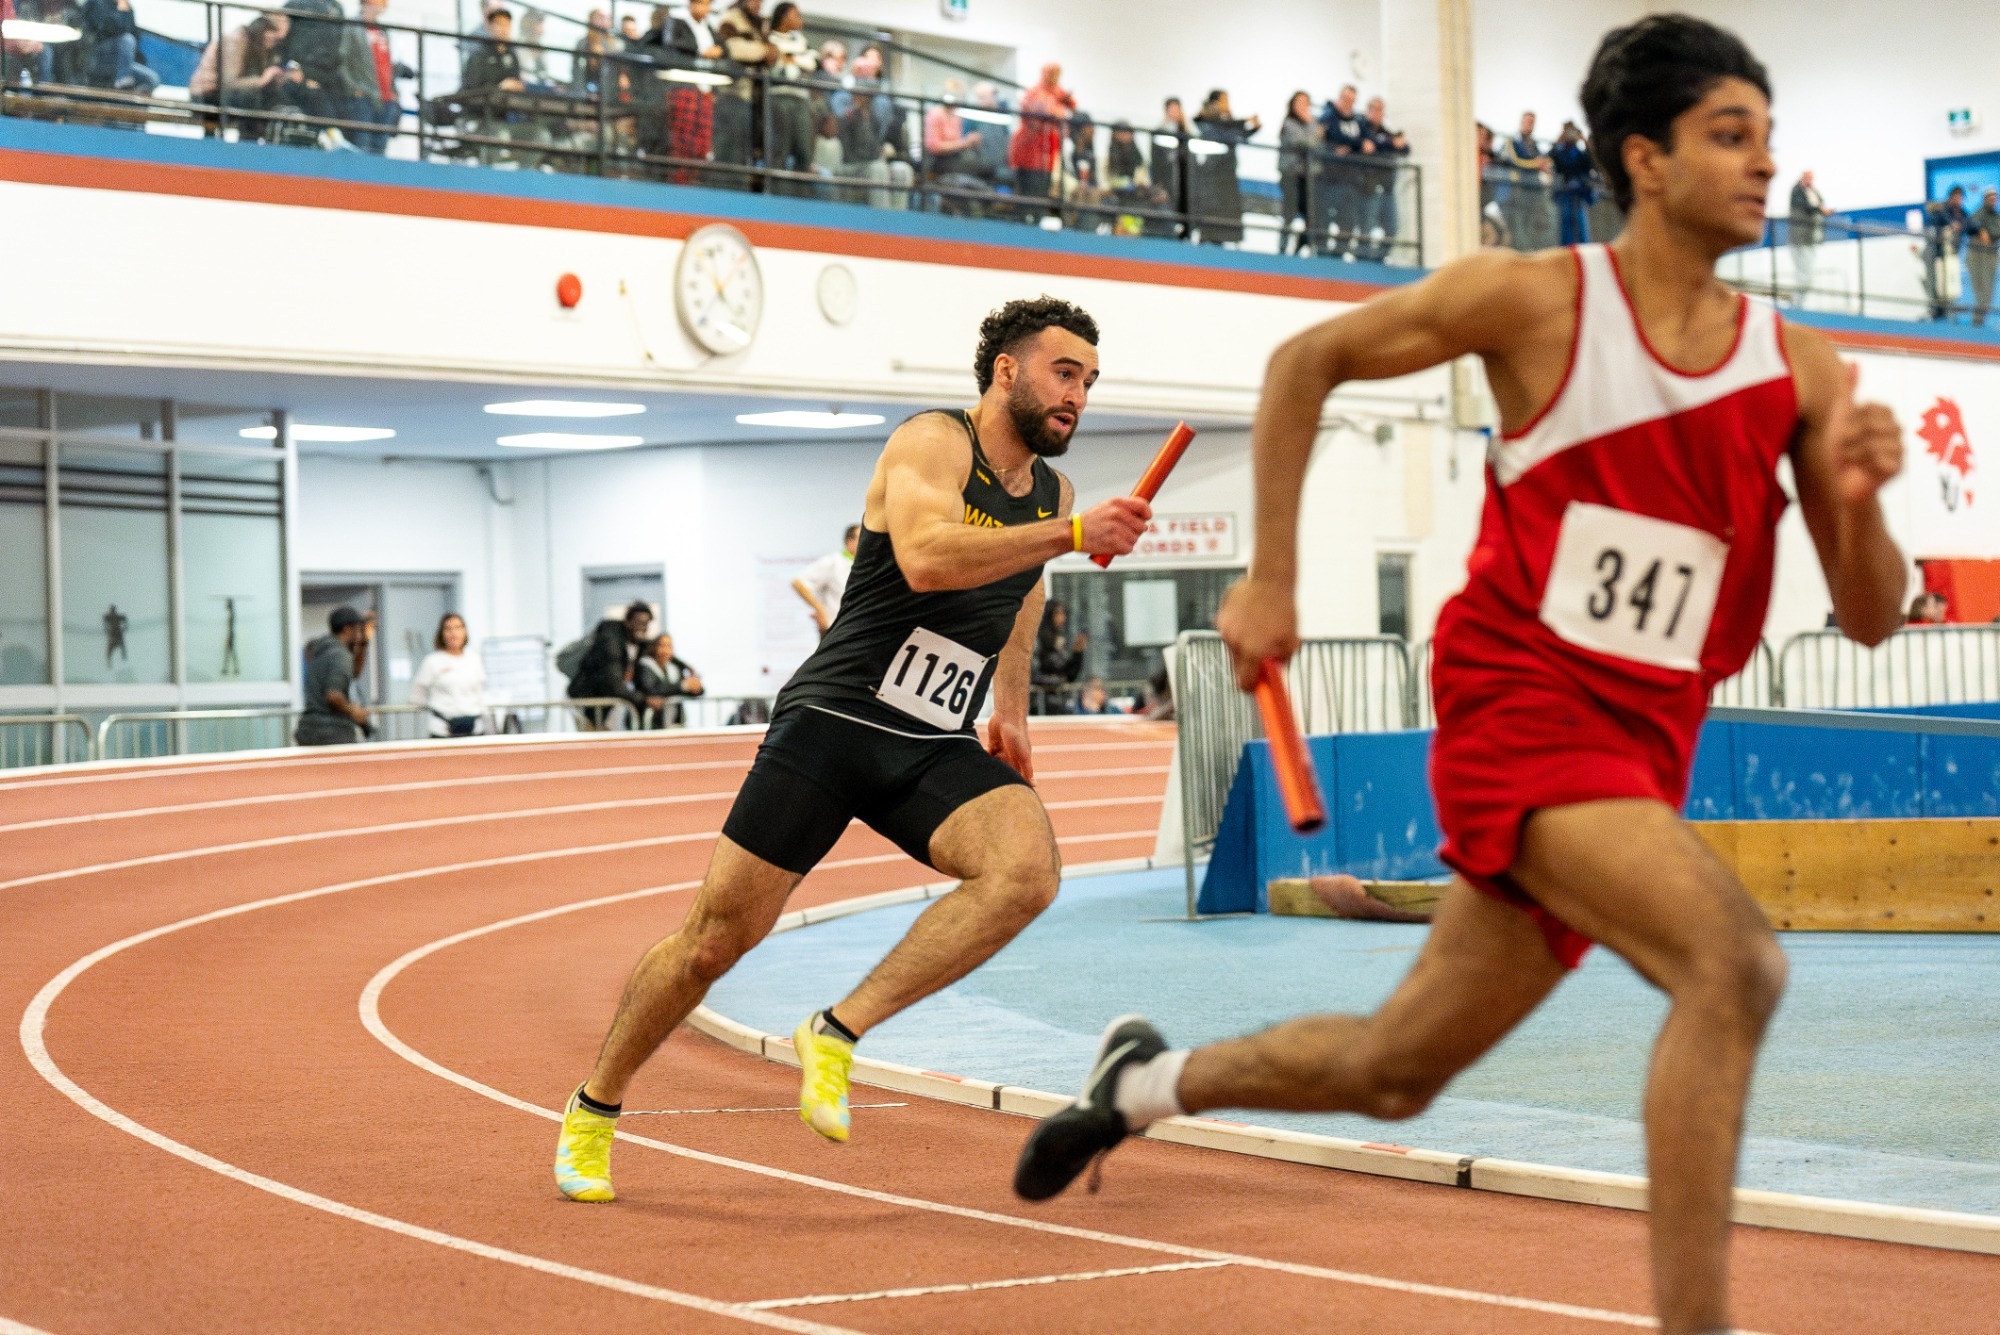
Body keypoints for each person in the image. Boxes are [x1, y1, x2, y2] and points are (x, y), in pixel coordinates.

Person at [1013, 19, 1910, 1335]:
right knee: (1734, 964)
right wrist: (1272, 576)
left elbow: (1876, 616)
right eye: (1732, 136)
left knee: (1394, 1068)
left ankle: (1145, 1080)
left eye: (1770, 139)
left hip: (1643, 747)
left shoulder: (1803, 366)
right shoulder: (1537, 299)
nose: (1764, 165)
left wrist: (1860, 498)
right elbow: (1303, 361)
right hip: (1520, 708)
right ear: (1646, 161)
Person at [553, 296, 1151, 1202]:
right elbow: (925, 556)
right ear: (1007, 371)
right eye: (1065, 373)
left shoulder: (1054, 492)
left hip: (930, 738)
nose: (1078, 395)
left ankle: (835, 1031)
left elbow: (1022, 594)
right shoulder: (934, 442)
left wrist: (1014, 705)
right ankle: (594, 1107)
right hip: (835, 726)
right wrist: (1072, 535)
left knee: (1025, 871)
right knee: (715, 941)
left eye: (1090, 383)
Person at [565, 601, 662, 727]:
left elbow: (658, 653)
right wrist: (645, 699)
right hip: (586, 698)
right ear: (628, 622)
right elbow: (613, 682)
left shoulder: (637, 644)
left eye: (646, 623)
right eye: (639, 622)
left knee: (606, 737)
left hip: (608, 701)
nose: (642, 627)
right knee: (593, 738)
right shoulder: (611, 642)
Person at [297, 606, 374, 746]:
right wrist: (354, 710)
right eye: (356, 629)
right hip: (332, 732)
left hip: (308, 728)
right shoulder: (340, 655)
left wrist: (363, 642)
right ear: (347, 628)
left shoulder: (321, 649)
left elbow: (353, 673)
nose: (358, 634)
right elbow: (333, 695)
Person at [338, 0, 405, 154]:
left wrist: (393, 92)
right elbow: (342, 61)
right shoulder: (352, 27)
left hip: (386, 98)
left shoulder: (382, 32)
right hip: (362, 97)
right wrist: (354, 89)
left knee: (380, 147)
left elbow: (387, 64)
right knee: (362, 144)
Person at [1191, 88, 1256, 246]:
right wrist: (1242, 121)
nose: (1227, 104)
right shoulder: (1207, 118)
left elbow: (1237, 136)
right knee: (1211, 213)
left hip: (1227, 175)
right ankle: (1205, 241)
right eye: (1224, 100)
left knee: (1225, 216)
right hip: (1212, 176)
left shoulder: (1228, 122)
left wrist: (1254, 127)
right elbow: (1221, 134)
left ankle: (1220, 243)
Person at [763, 2, 816, 191]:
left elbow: (812, 62)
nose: (799, 18)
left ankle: (800, 199)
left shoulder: (801, 40)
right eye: (795, 15)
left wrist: (790, 58)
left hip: (801, 99)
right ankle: (776, 197)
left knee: (804, 152)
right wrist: (791, 58)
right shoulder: (769, 38)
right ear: (784, 16)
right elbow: (773, 62)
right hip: (778, 98)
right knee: (779, 151)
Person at [409, 612, 487, 738]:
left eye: (458, 628)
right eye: (448, 629)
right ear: (442, 633)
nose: (453, 633)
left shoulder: (475, 659)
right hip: (442, 729)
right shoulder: (432, 661)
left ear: (465, 631)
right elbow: (417, 694)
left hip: (474, 727)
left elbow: (480, 690)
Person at [1009, 62, 1074, 208]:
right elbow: (1045, 111)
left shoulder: (1056, 92)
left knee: (1043, 195)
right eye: (1051, 74)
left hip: (1047, 158)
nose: (1054, 78)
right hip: (1029, 153)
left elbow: (1071, 105)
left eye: (1057, 75)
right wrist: (1058, 104)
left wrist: (1062, 100)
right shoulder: (1035, 93)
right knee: (1027, 194)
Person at [1317, 85, 1368, 257]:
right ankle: (1323, 252)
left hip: (1352, 180)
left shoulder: (1359, 121)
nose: (1348, 103)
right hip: (1330, 179)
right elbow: (1333, 136)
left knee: (1348, 221)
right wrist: (1357, 144)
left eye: (1352, 100)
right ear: (1340, 97)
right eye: (1345, 99)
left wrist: (1352, 146)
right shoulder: (1329, 116)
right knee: (1325, 217)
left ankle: (1339, 253)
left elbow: (1368, 143)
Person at [1357, 95, 1408, 260]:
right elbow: (1371, 142)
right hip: (1368, 186)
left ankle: (1377, 258)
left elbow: (1404, 149)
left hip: (1387, 188)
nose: (1376, 113)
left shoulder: (1385, 133)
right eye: (1373, 108)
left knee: (1392, 229)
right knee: (1367, 226)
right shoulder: (1361, 127)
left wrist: (1394, 142)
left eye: (1380, 109)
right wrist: (1390, 143)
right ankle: (1363, 258)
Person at [1498, 109, 1554, 251]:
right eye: (1527, 121)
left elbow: (1543, 159)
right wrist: (1536, 164)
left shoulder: (1533, 144)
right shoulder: (1512, 141)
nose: (1530, 125)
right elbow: (1514, 160)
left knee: (1531, 225)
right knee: (1517, 227)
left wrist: (1545, 164)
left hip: (1533, 192)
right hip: (1517, 191)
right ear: (1521, 122)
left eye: (1532, 122)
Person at [792, 524, 859, 634]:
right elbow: (798, 583)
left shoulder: (865, 565)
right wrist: (820, 610)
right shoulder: (833, 562)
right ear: (849, 541)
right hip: (835, 630)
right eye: (861, 537)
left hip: (858, 630)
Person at [79, 0, 157, 94]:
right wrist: (122, 11)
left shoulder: (126, 6)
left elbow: (134, 36)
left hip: (122, 63)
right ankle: (122, 80)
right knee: (127, 40)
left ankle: (129, 101)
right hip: (97, 57)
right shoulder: (95, 3)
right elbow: (107, 28)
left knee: (151, 79)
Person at [1277, 91, 1322, 255]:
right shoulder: (1289, 123)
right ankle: (1282, 249)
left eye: (1306, 102)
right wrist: (1314, 131)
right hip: (1291, 175)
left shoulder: (1313, 121)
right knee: (1289, 213)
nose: (1303, 106)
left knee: (1311, 215)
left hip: (1309, 177)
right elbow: (1303, 142)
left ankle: (1302, 247)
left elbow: (1321, 143)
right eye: (1299, 102)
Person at [635, 632, 705, 726]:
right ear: (654, 647)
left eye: (669, 646)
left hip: (674, 720)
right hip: (652, 721)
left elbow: (684, 688)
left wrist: (695, 687)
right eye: (662, 646)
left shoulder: (674, 667)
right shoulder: (644, 665)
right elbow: (651, 689)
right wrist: (682, 686)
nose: (665, 650)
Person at [1922, 185, 1967, 321]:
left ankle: (1948, 308)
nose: (1958, 200)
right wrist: (1950, 223)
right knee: (1935, 280)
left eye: (1960, 197)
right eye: (1956, 197)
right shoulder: (1942, 209)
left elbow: (1968, 224)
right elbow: (1933, 216)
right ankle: (1935, 309)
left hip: (1951, 253)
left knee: (1951, 281)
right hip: (1936, 252)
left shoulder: (1961, 212)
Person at [1031, 597, 1085, 712]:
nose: (1063, 617)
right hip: (1041, 703)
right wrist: (1058, 680)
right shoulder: (1037, 640)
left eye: (1064, 613)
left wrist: (1077, 654)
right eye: (1059, 613)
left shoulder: (1060, 639)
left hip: (1062, 701)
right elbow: (1032, 675)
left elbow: (1070, 676)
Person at [1550, 119, 1596, 246]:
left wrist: (1584, 140)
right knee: (1566, 225)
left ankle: (1583, 249)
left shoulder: (1580, 153)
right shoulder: (1560, 151)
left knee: (1581, 226)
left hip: (1580, 194)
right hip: (1565, 194)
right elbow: (1552, 157)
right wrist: (1558, 139)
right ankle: (1566, 250)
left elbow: (1591, 164)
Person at [1788, 170, 1826, 299]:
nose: (1810, 181)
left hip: (1811, 238)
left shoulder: (1813, 191)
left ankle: (1799, 302)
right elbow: (1808, 207)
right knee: (1803, 275)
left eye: (1811, 178)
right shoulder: (1797, 192)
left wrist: (1821, 208)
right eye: (1807, 178)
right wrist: (1818, 209)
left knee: (1808, 275)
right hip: (1799, 240)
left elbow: (1820, 202)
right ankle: (1796, 303)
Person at [1966, 186, 1999, 328]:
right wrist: (1981, 229)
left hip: (1990, 255)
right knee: (1980, 292)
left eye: (1995, 197)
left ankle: (1978, 323)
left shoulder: (1997, 217)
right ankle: (1976, 324)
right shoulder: (1978, 214)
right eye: (1990, 197)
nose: (1993, 200)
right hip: (1977, 255)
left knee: (1987, 294)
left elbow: (1995, 233)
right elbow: (1970, 224)